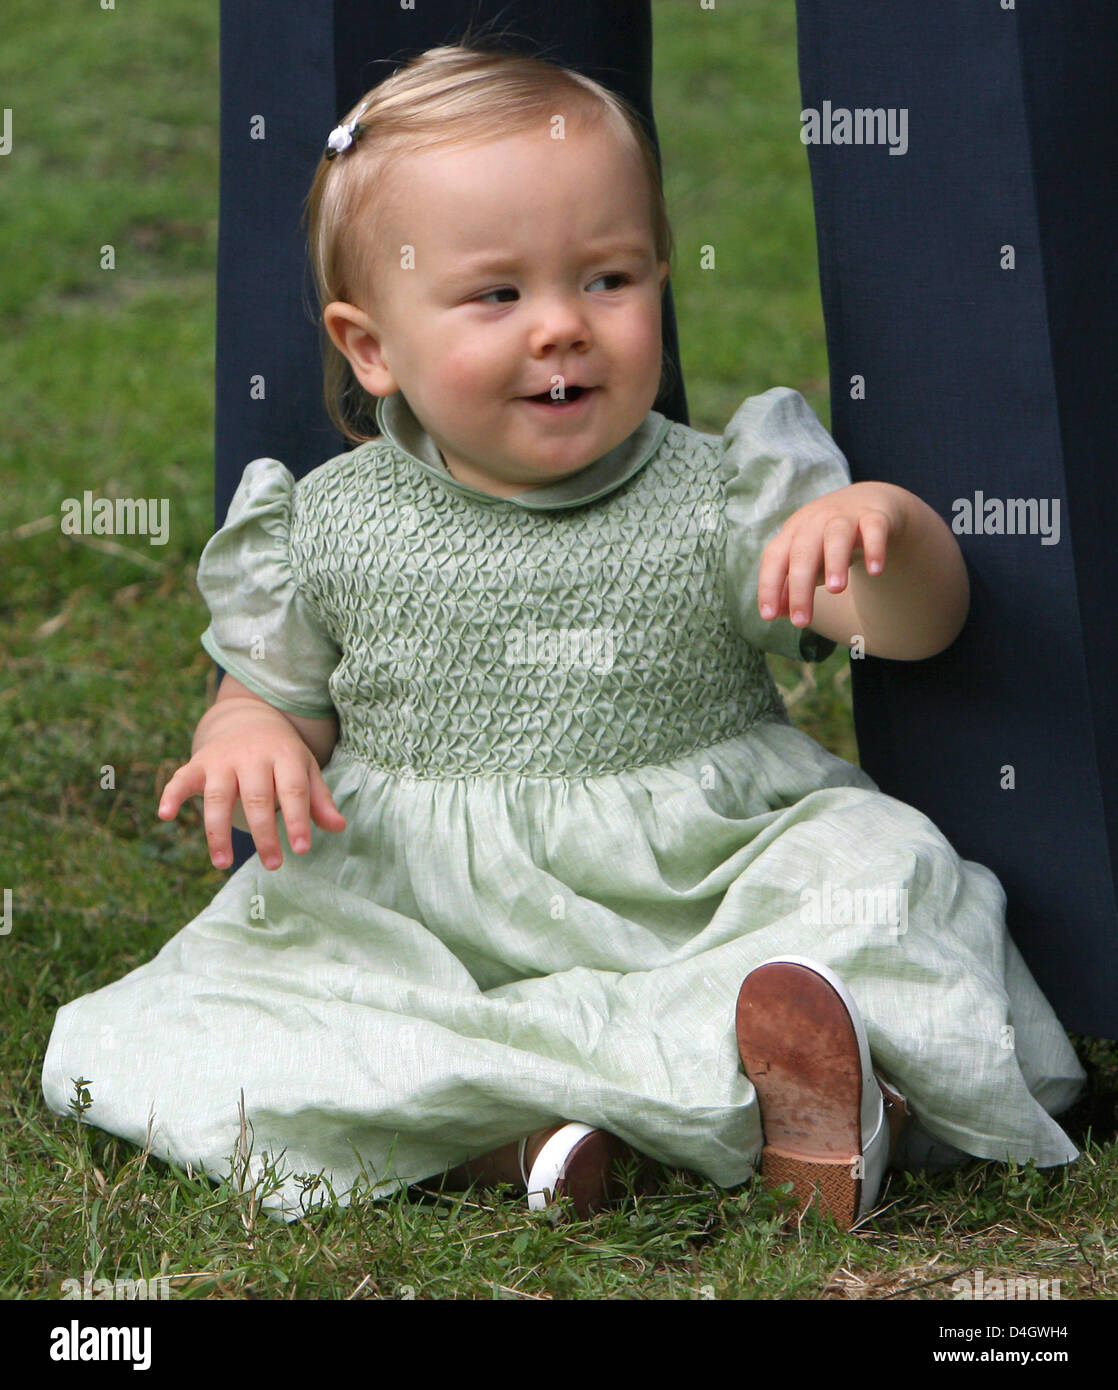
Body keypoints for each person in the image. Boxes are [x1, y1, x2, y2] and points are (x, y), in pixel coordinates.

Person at [42, 45, 1085, 1228]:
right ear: (370, 343)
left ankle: (802, 1088)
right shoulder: (319, 524)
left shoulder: (726, 492)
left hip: (696, 881)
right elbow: (274, 692)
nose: (562, 329)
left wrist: (881, 531)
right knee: (220, 1020)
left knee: (881, 884)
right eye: (499, 294)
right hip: (419, 913)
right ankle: (544, 1135)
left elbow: (911, 629)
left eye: (606, 280)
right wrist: (248, 731)